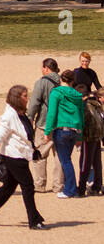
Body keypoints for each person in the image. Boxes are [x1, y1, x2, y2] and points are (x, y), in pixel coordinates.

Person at [0, 84, 46, 230]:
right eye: (24, 96)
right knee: (28, 186)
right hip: (13, 157)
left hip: (21, 155)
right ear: (17, 98)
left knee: (9, 187)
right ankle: (34, 221)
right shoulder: (9, 116)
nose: (27, 98)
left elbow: (26, 134)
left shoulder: (21, 113)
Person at [44, 69, 84, 198]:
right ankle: (71, 187)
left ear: (61, 79)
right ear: (73, 81)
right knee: (67, 160)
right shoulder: (77, 95)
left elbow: (52, 113)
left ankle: (70, 190)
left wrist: (47, 131)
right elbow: (81, 115)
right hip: (74, 129)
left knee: (65, 161)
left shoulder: (56, 92)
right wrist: (80, 135)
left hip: (62, 130)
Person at [27, 58, 64, 196]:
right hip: (62, 123)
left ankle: (40, 184)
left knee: (40, 154)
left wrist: (30, 117)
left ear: (46, 68)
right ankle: (58, 185)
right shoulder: (63, 81)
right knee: (60, 156)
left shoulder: (42, 82)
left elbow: (34, 102)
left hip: (44, 123)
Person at [77, 85, 103, 196]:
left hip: (89, 137)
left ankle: (82, 188)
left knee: (85, 163)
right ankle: (97, 187)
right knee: (97, 163)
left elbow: (83, 122)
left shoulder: (86, 105)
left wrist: (79, 137)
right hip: (97, 136)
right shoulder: (96, 105)